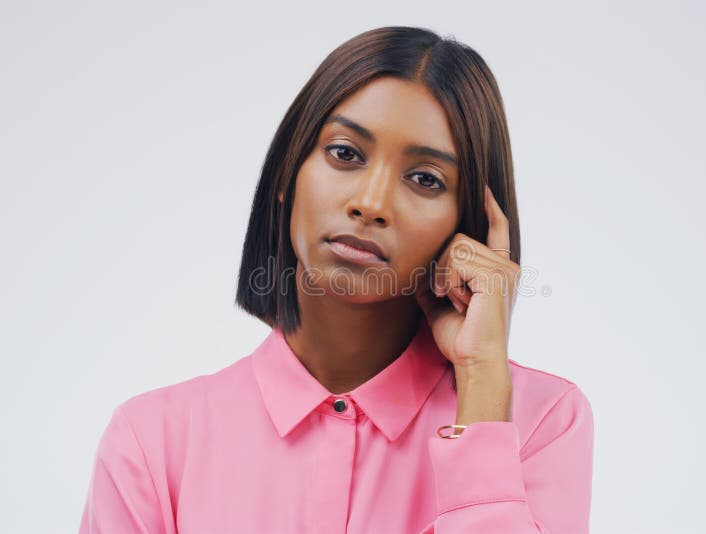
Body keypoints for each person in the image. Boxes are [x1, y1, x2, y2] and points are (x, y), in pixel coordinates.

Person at [78, 25, 594, 533]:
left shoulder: (542, 423)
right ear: (286, 174)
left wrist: (482, 383)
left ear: (468, 230)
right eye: (345, 153)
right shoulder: (151, 444)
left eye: (425, 179)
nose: (370, 204)